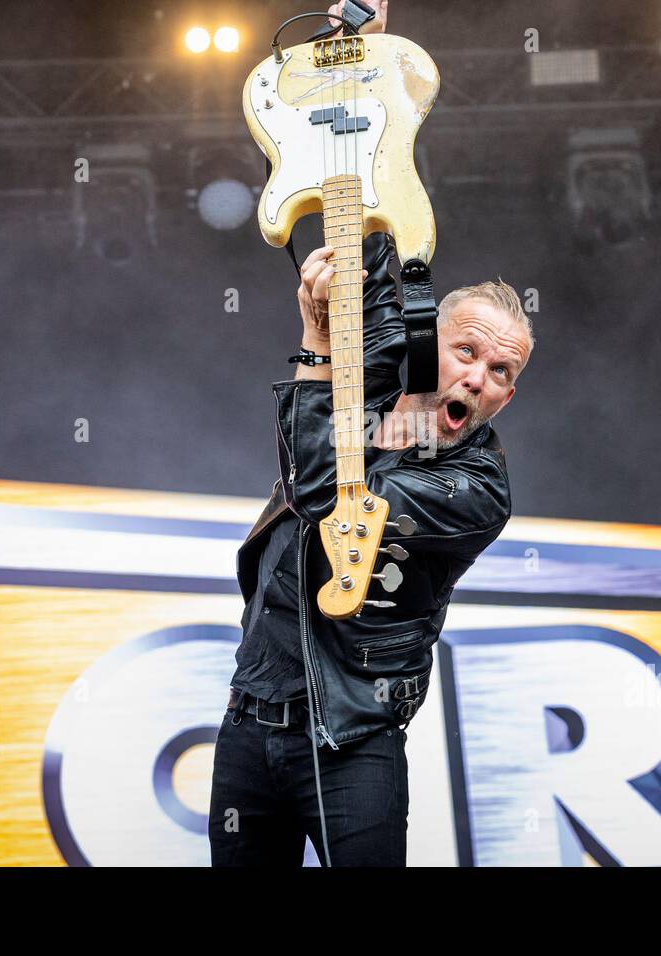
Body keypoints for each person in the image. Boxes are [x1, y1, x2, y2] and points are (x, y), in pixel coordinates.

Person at [208, 0, 534, 867]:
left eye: (504, 373)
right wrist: (350, 53)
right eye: (469, 352)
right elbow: (368, 232)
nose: (483, 378)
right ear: (433, 345)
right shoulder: (380, 370)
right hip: (249, 722)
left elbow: (330, 496)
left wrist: (316, 346)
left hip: (351, 738)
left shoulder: (477, 489)